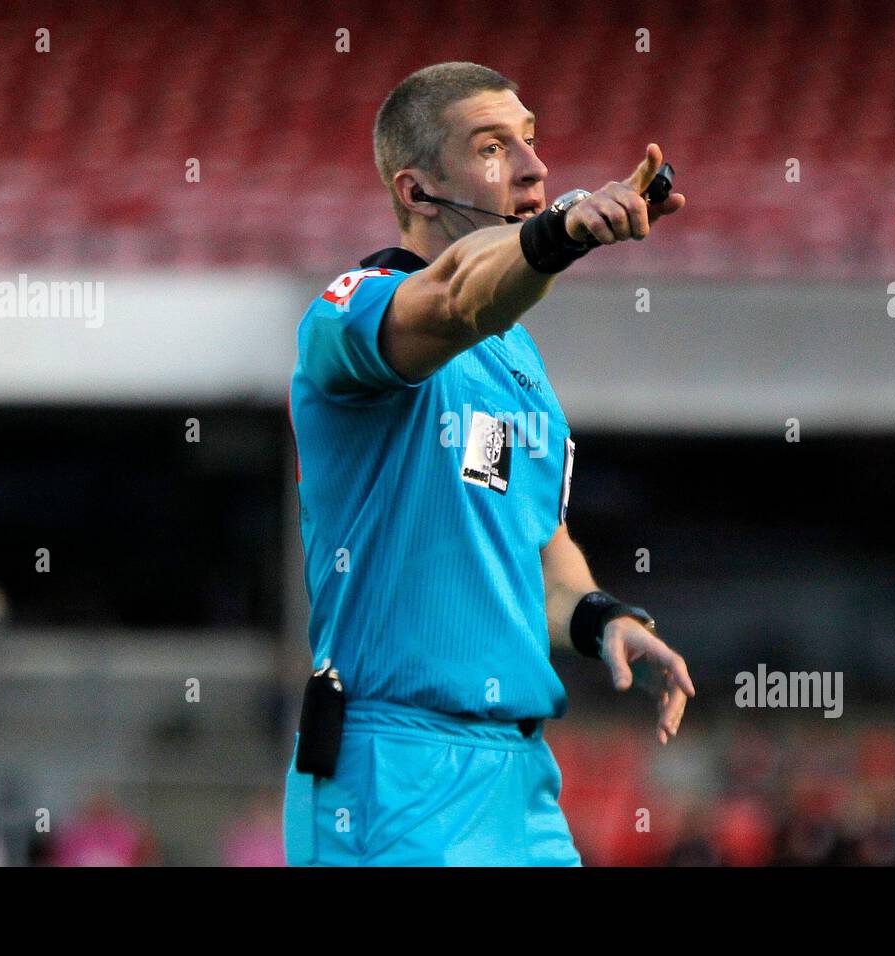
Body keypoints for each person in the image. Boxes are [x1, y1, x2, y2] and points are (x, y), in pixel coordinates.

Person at [284, 61, 694, 866]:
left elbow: (536, 552)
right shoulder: (349, 311)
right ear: (418, 190)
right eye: (494, 147)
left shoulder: (516, 363)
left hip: (520, 780)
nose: (537, 167)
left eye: (532, 140)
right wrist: (561, 234)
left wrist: (600, 617)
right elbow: (454, 300)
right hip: (393, 770)